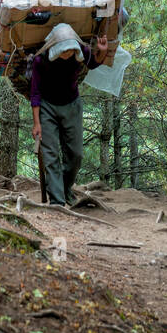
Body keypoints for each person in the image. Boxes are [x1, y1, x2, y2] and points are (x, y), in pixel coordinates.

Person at [29, 23, 109, 206]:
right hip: (47, 108)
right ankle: (57, 202)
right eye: (63, 51)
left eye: (70, 51)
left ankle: (64, 189)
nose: (67, 55)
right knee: (51, 156)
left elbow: (93, 63)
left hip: (72, 105)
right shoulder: (40, 60)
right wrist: (37, 123)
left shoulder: (80, 51)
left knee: (76, 155)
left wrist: (102, 51)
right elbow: (35, 93)